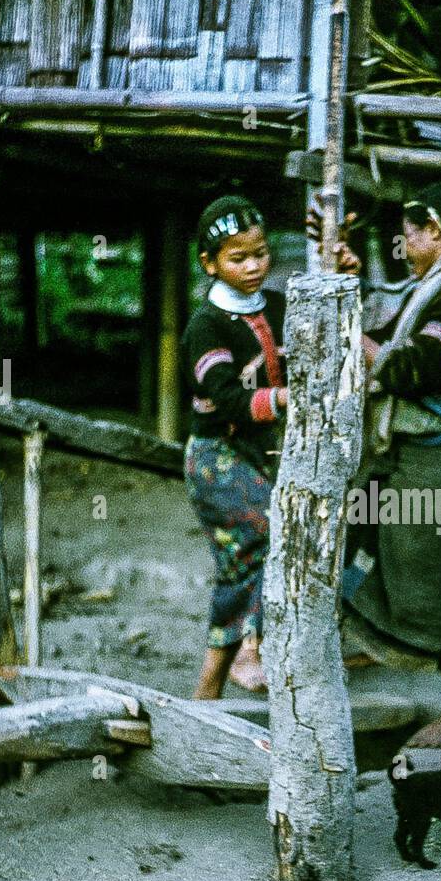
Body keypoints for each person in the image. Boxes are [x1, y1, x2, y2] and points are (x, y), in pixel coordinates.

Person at [310, 182, 441, 748]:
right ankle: (369, 641)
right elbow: (390, 316)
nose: (403, 240)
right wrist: (346, 277)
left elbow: (412, 367)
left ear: (439, 234)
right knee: (361, 523)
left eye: (411, 230)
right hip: (430, 454)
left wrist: (349, 331)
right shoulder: (435, 288)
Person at [182, 196, 288, 699]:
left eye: (260, 254)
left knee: (279, 541)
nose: (253, 267)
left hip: (261, 454)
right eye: (237, 258)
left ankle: (226, 676)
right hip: (216, 459)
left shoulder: (280, 307)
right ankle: (234, 664)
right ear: (210, 263)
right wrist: (283, 397)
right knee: (258, 541)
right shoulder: (205, 326)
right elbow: (223, 398)